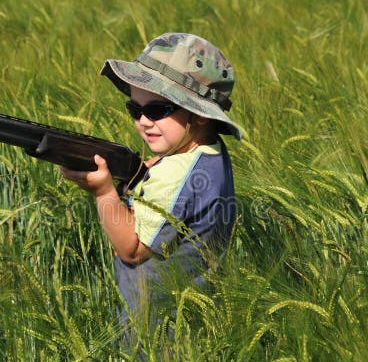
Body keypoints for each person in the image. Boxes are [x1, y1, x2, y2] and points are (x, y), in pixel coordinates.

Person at [60, 32, 242, 341]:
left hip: (154, 334)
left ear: (198, 114)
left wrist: (104, 192)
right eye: (135, 109)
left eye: (157, 110)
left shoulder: (175, 176)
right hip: (188, 324)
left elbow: (131, 250)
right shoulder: (205, 154)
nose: (143, 121)